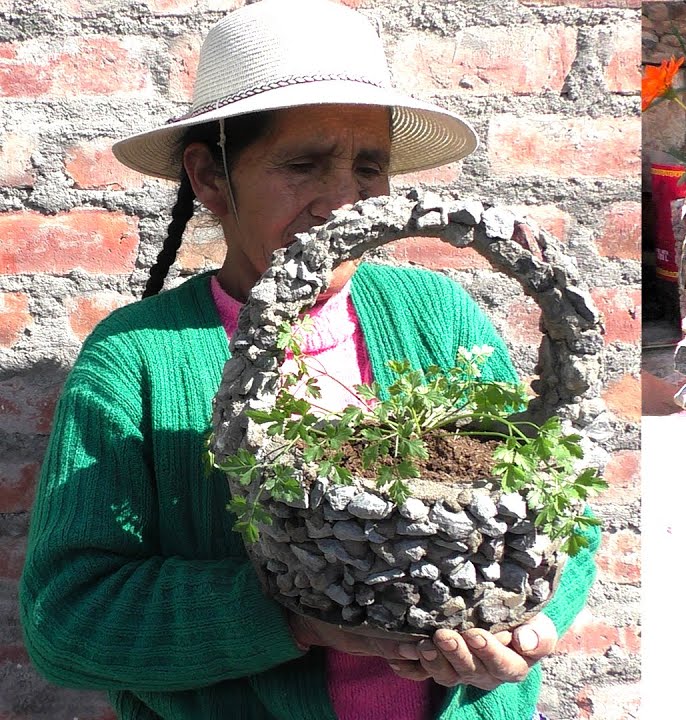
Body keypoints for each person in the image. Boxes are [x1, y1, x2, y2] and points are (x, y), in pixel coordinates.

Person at [17, 1, 599, 718]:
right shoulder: (136, 361)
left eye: (369, 167)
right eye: (303, 164)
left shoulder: (440, 318)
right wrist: (295, 612)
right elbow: (68, 620)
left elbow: (562, 522)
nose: (344, 201)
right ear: (208, 177)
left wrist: (528, 621)